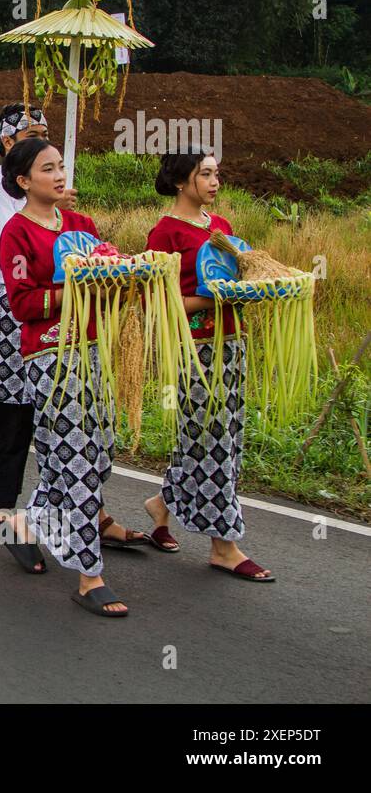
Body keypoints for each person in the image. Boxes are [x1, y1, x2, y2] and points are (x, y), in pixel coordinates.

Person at [0, 137, 146, 618]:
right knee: (77, 460)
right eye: (47, 169)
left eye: (61, 167)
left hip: (94, 351)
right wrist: (74, 284)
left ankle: (26, 521)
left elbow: (107, 279)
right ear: (23, 181)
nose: (60, 176)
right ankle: (89, 576)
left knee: (97, 453)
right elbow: (22, 304)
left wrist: (123, 276)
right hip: (50, 356)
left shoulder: (81, 225)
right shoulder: (15, 234)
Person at [144, 147, 273, 581]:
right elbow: (161, 303)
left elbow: (236, 282)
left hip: (232, 341)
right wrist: (214, 297)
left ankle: (161, 506)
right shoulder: (164, 234)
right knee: (213, 438)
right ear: (182, 181)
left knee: (223, 435)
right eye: (205, 174)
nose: (215, 182)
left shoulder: (222, 228)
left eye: (217, 173)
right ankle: (225, 545)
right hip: (194, 347)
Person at [0, 103, 60, 574]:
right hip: (7, 305)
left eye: (45, 133)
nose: (41, 139)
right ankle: (4, 510)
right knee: (10, 408)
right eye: (30, 134)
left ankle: (71, 511)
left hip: (50, 305)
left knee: (54, 405)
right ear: (7, 143)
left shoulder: (52, 193)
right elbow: (14, 252)